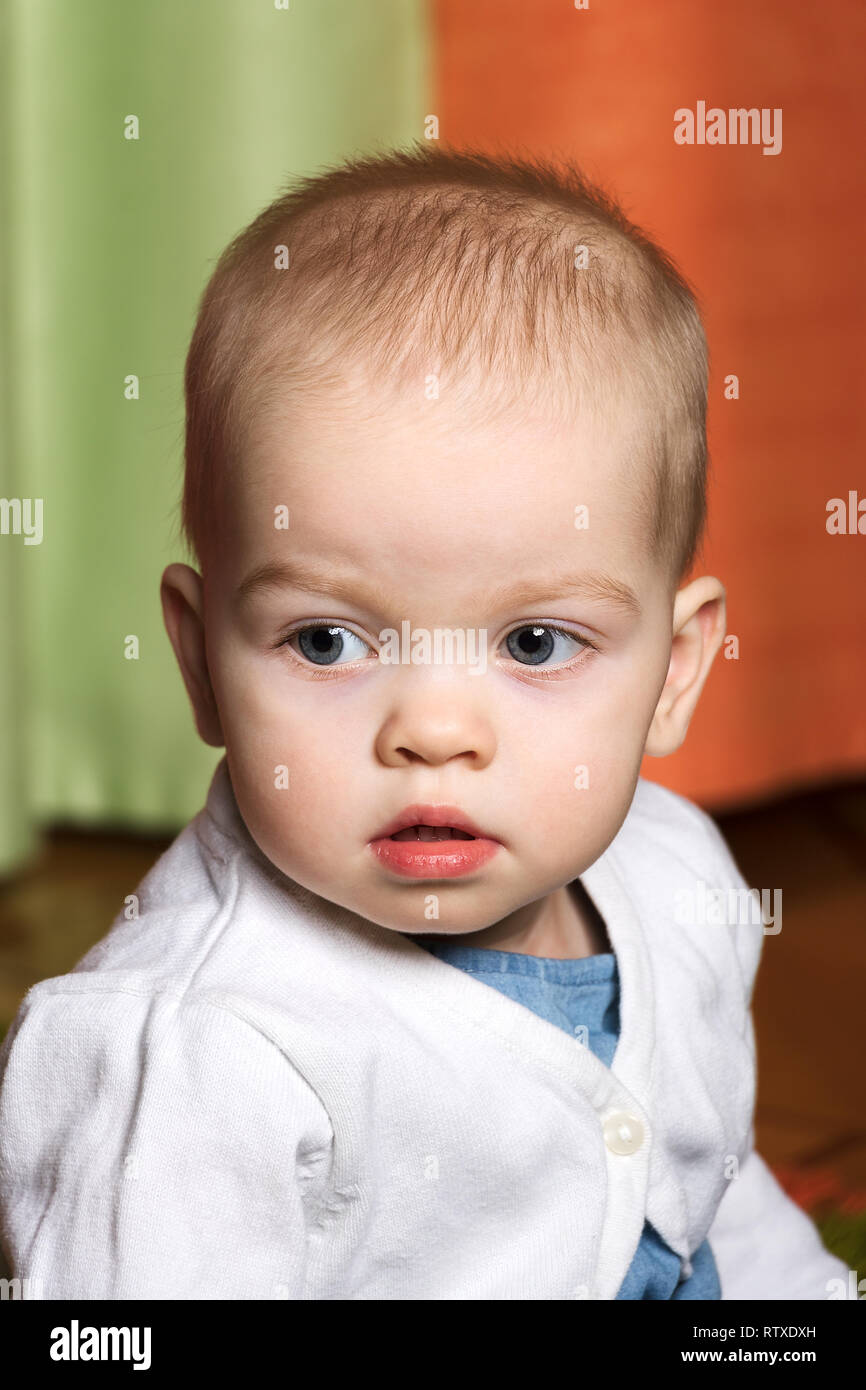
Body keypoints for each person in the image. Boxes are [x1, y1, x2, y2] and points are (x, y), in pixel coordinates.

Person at [0, 144, 847, 1299]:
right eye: (326, 641)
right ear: (199, 662)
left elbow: (711, 1190)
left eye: (534, 643)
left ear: (673, 669)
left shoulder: (676, 879)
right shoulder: (201, 1058)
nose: (433, 731)